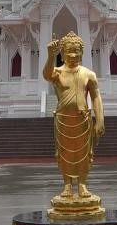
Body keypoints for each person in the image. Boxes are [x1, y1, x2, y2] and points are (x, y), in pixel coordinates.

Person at [43, 32, 105, 199]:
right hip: (63, 120)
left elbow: (96, 97)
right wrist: (50, 56)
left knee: (84, 153)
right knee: (64, 153)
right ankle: (67, 185)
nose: (72, 55)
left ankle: (83, 184)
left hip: (83, 119)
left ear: (82, 52)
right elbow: (47, 75)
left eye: (76, 51)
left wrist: (100, 120)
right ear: (62, 53)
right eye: (68, 51)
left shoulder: (88, 74)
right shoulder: (57, 72)